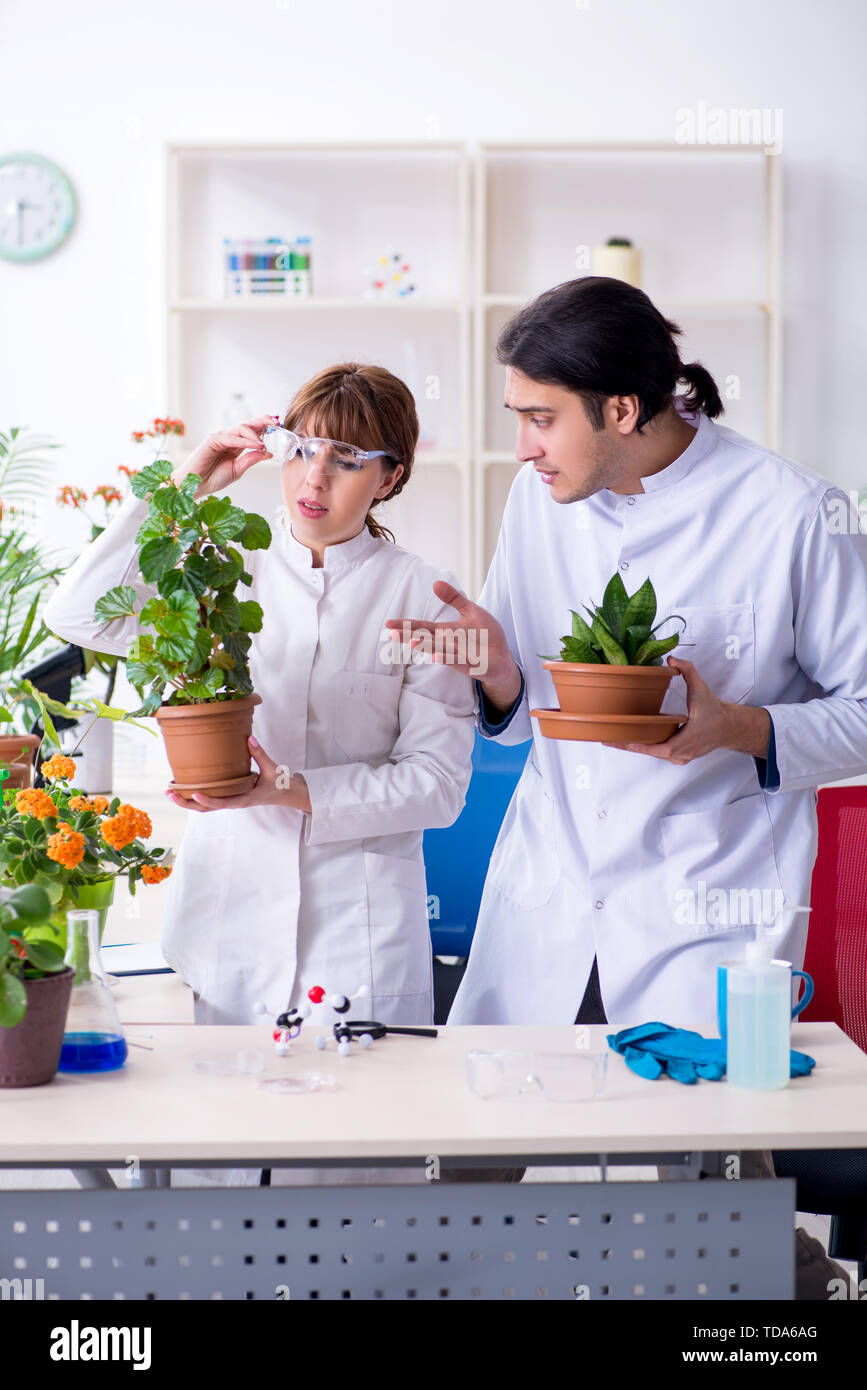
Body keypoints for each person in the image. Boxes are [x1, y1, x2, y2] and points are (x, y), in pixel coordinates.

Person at [391, 276, 867, 1032]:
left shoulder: (795, 513)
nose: (523, 448)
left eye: (541, 419)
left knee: (714, 1142)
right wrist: (499, 673)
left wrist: (739, 728)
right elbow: (521, 720)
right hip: (548, 898)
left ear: (620, 409)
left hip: (706, 906)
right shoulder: (537, 498)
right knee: (487, 1130)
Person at [43, 363, 476, 1038]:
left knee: (366, 1133)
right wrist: (189, 479)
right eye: (301, 448)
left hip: (358, 934)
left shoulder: (425, 599)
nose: (314, 477)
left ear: (390, 478)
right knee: (229, 1136)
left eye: (347, 459)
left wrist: (289, 788)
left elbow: (438, 785)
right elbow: (78, 616)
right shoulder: (221, 568)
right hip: (228, 925)